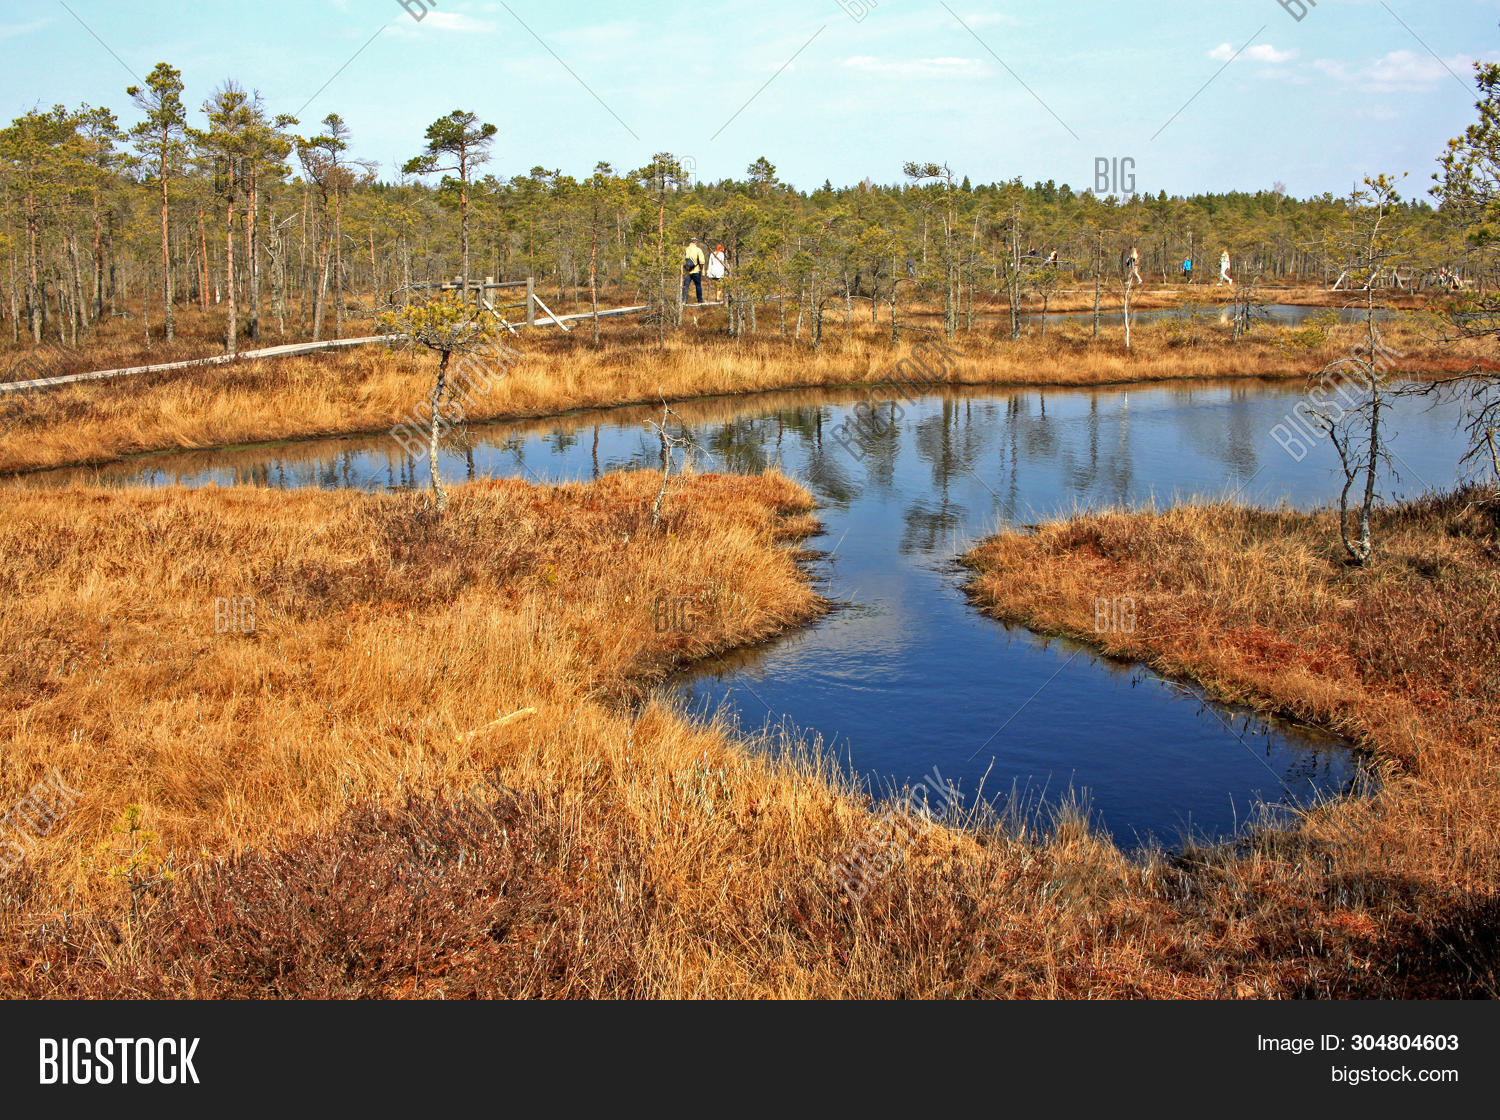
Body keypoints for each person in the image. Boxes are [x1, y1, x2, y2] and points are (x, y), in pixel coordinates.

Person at [682, 237, 706, 303]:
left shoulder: (685, 249)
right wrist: (701, 270)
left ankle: (684, 300)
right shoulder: (698, 250)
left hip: (687, 271)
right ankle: (700, 300)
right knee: (698, 285)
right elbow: (701, 261)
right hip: (696, 270)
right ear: (695, 242)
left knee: (685, 286)